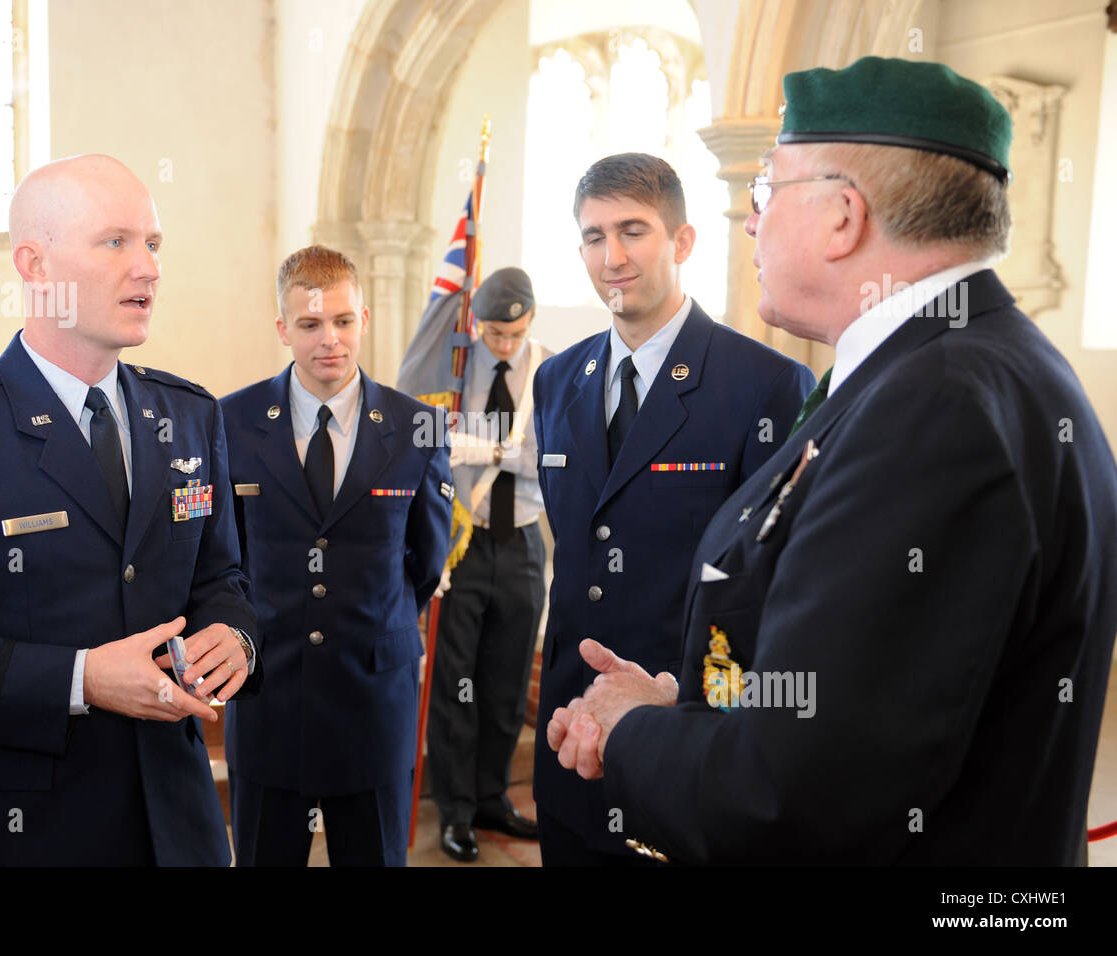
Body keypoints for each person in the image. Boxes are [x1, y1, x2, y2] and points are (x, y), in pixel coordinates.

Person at [547, 56, 1117, 865]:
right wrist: (686, 707)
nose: (751, 222)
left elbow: (793, 794)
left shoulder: (939, 408)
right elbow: (865, 691)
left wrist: (631, 730)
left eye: (765, 191)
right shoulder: (967, 366)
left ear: (843, 216)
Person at [0, 154, 260, 866]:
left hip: (175, 824)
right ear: (35, 264)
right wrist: (79, 678)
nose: (149, 267)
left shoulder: (189, 415)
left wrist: (235, 636)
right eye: (116, 241)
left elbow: (224, 579)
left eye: (154, 243)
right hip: (16, 829)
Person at [532, 153, 816, 865]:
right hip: (570, 734)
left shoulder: (766, 386)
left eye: (634, 231)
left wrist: (710, 717)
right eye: (595, 236)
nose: (614, 256)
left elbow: (773, 586)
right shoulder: (557, 380)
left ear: (682, 242)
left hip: (681, 735)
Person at [221, 245, 453, 866]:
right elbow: (224, 560)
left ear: (365, 319)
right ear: (282, 329)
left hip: (373, 696)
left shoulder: (418, 427)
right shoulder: (231, 421)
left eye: (343, 321)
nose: (330, 340)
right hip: (269, 690)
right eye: (310, 324)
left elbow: (426, 562)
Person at [426, 267, 552, 862]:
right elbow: (429, 437)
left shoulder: (548, 370)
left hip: (524, 540)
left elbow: (548, 458)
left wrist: (485, 446)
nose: (505, 346)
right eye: (495, 335)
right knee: (457, 681)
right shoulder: (452, 369)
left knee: (504, 681)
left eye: (515, 334)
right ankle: (454, 811)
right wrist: (488, 447)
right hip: (463, 541)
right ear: (477, 324)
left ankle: (491, 797)